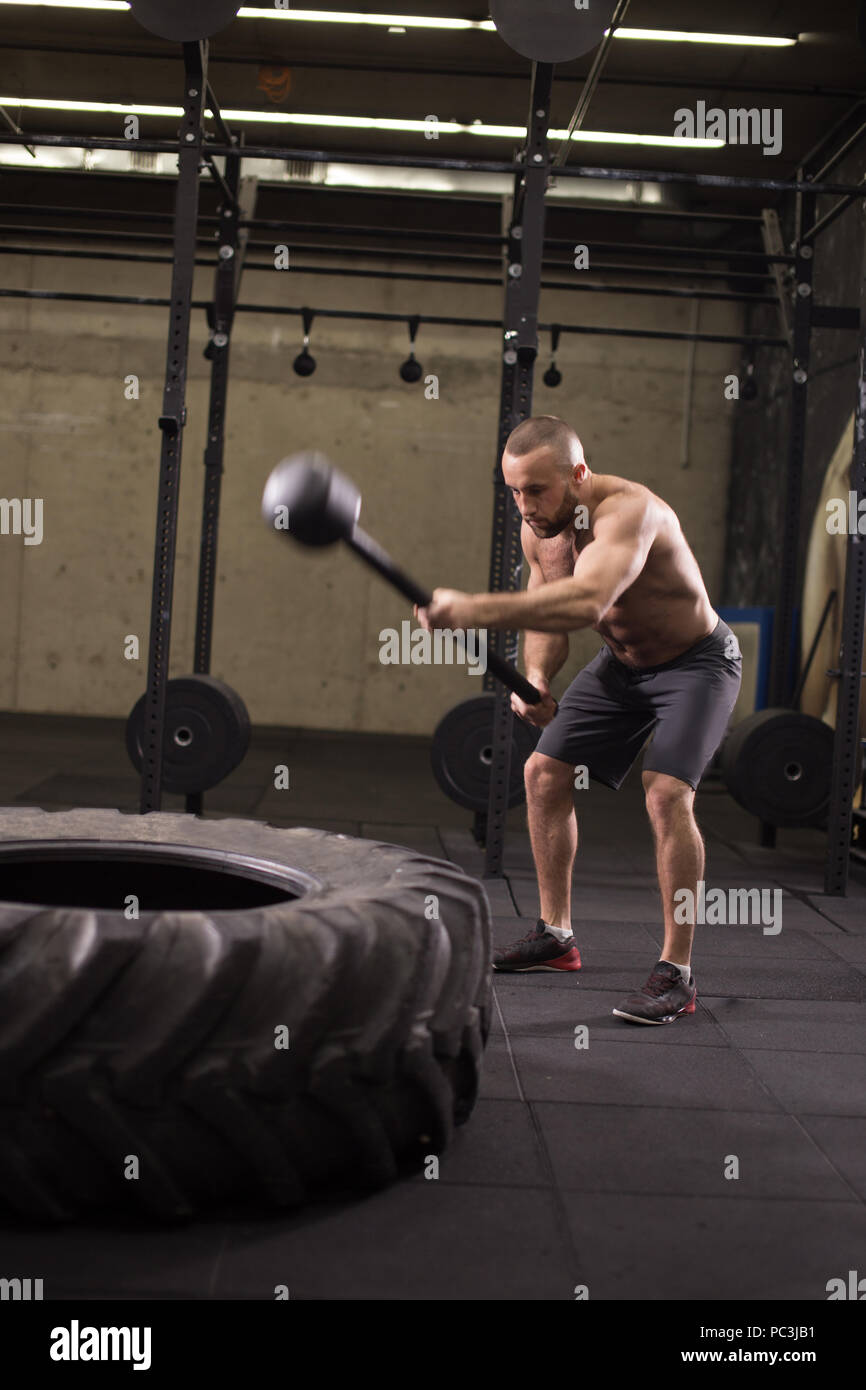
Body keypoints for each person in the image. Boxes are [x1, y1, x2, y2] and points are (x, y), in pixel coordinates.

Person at [416, 415, 742, 1025]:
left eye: (537, 489)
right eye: (513, 490)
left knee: (666, 793)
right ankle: (556, 936)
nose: (525, 504)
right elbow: (547, 611)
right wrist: (538, 677)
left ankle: (677, 972)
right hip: (622, 666)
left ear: (579, 474)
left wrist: (474, 610)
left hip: (696, 664)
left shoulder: (629, 512)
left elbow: (588, 599)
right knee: (542, 774)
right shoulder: (536, 528)